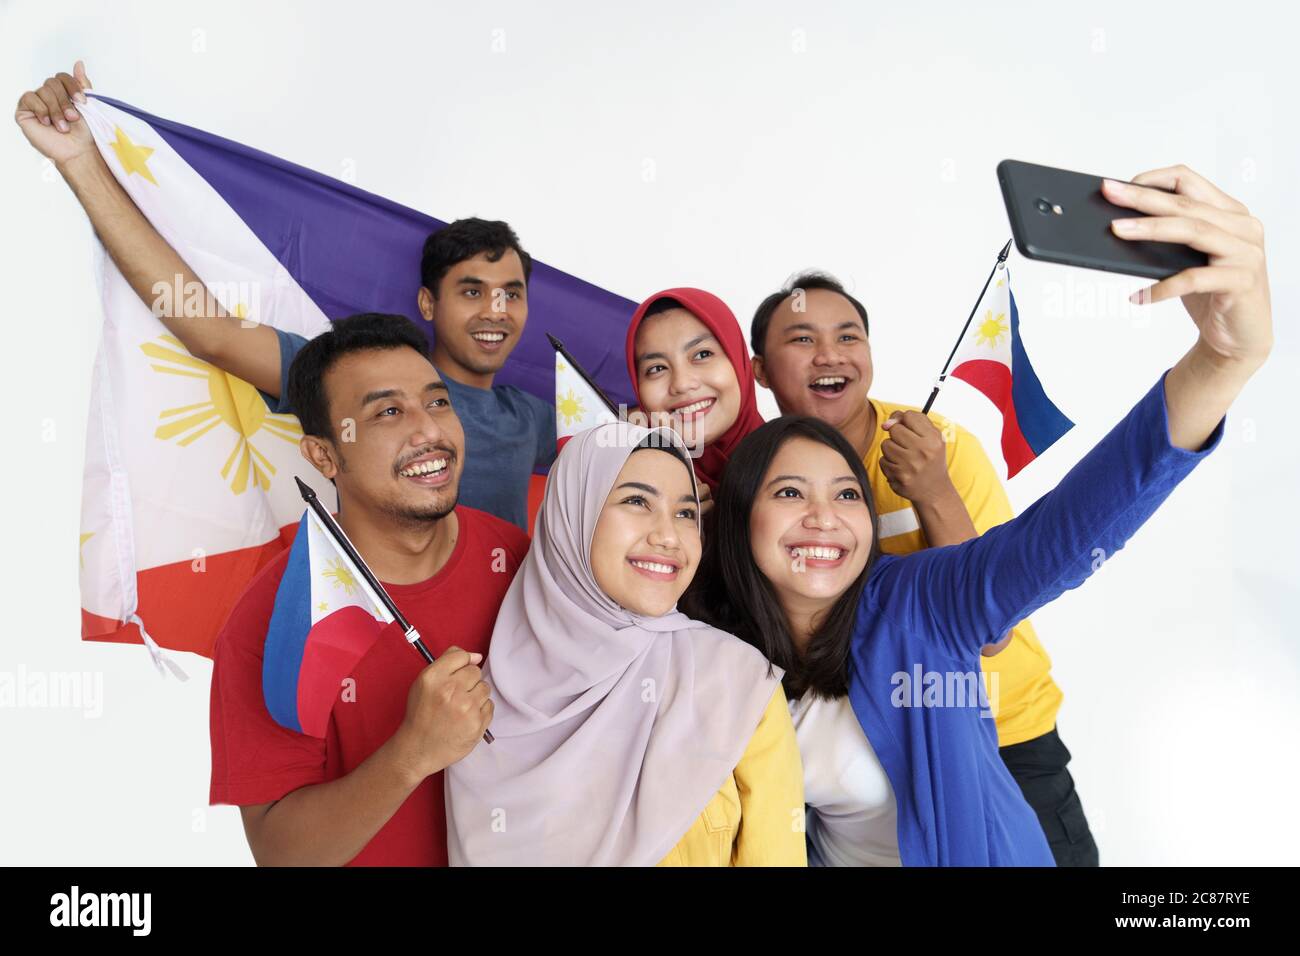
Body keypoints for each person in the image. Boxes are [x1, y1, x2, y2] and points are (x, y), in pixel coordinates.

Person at [685, 164, 1271, 865]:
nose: (823, 516)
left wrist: (1223, 360)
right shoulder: (722, 658)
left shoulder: (916, 603)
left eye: (847, 494)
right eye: (788, 494)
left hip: (1014, 735)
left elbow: (1060, 537)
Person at [14, 61, 555, 530]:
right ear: (427, 304)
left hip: (499, 646)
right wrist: (80, 160)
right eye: (472, 291)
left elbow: (627, 438)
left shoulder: (533, 418)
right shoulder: (357, 376)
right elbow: (211, 332)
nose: (495, 311)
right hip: (388, 629)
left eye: (512, 293)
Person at [749, 270, 1094, 864]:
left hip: (1001, 733)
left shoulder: (942, 446)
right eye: (802, 339)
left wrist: (932, 489)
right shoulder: (760, 473)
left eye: (849, 336)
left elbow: (992, 628)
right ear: (759, 370)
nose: (829, 354)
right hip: (857, 752)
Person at [206, 313, 529, 865]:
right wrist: (412, 753)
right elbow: (281, 855)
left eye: (437, 402)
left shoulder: (521, 561)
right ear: (324, 455)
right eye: (388, 412)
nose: (429, 432)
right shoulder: (271, 620)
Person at [445, 422, 806, 866]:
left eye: (686, 512)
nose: (669, 536)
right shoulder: (480, 706)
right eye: (636, 501)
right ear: (571, 515)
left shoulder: (738, 680)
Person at [624, 288, 766, 498]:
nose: (681, 384)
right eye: (657, 368)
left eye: (702, 354)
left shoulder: (797, 466)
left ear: (738, 360)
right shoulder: (623, 485)